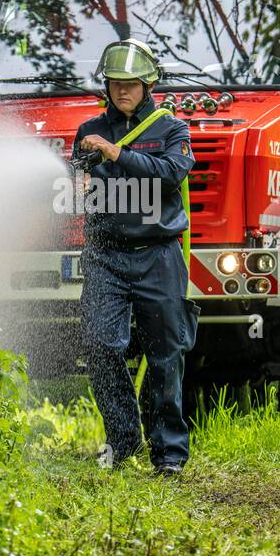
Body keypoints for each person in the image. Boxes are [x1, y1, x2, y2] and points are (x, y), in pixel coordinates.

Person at [73, 39, 198, 477]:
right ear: (104, 86)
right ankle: (123, 440)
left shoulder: (171, 131)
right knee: (100, 346)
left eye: (131, 84)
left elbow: (171, 173)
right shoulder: (89, 128)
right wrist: (78, 185)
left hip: (157, 254)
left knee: (166, 354)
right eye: (114, 83)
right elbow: (78, 180)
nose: (122, 90)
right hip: (105, 256)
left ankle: (169, 455)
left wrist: (115, 154)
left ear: (148, 85)